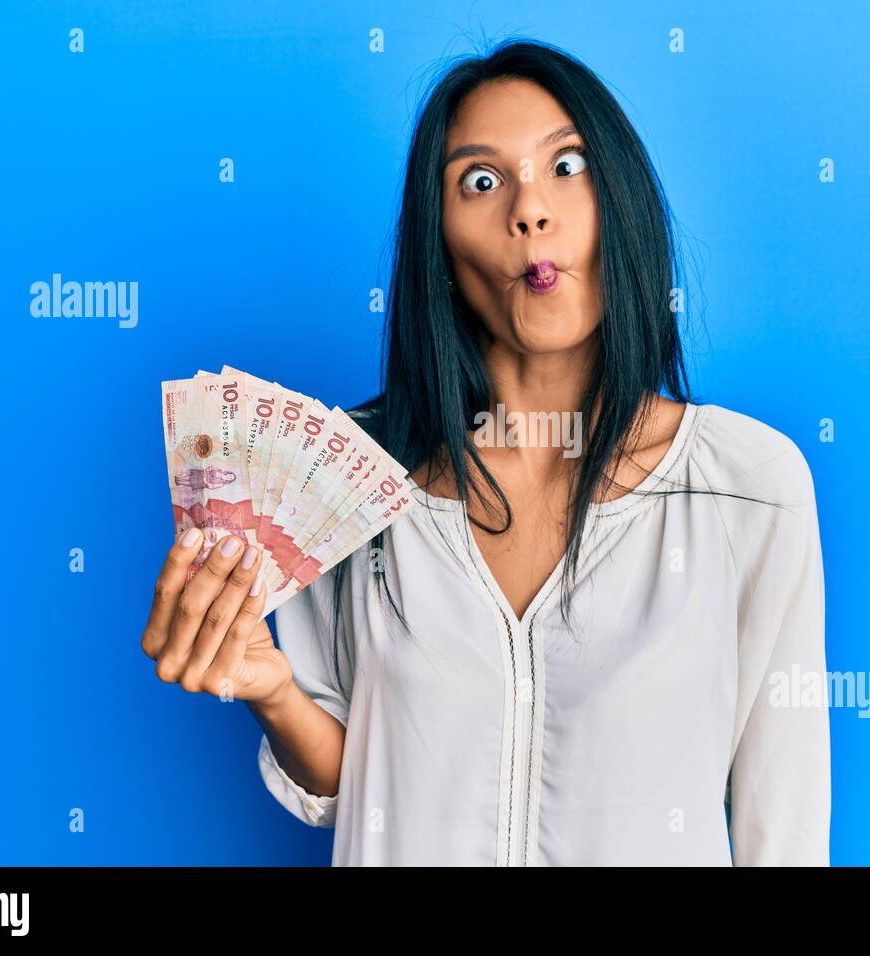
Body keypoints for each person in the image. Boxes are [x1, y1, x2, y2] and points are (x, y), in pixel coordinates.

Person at [140, 38, 830, 866]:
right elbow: (346, 789)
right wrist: (272, 691)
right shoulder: (353, 480)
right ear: (438, 239)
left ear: (624, 196)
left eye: (567, 166)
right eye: (481, 180)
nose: (529, 210)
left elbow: (783, 827)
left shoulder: (749, 487)